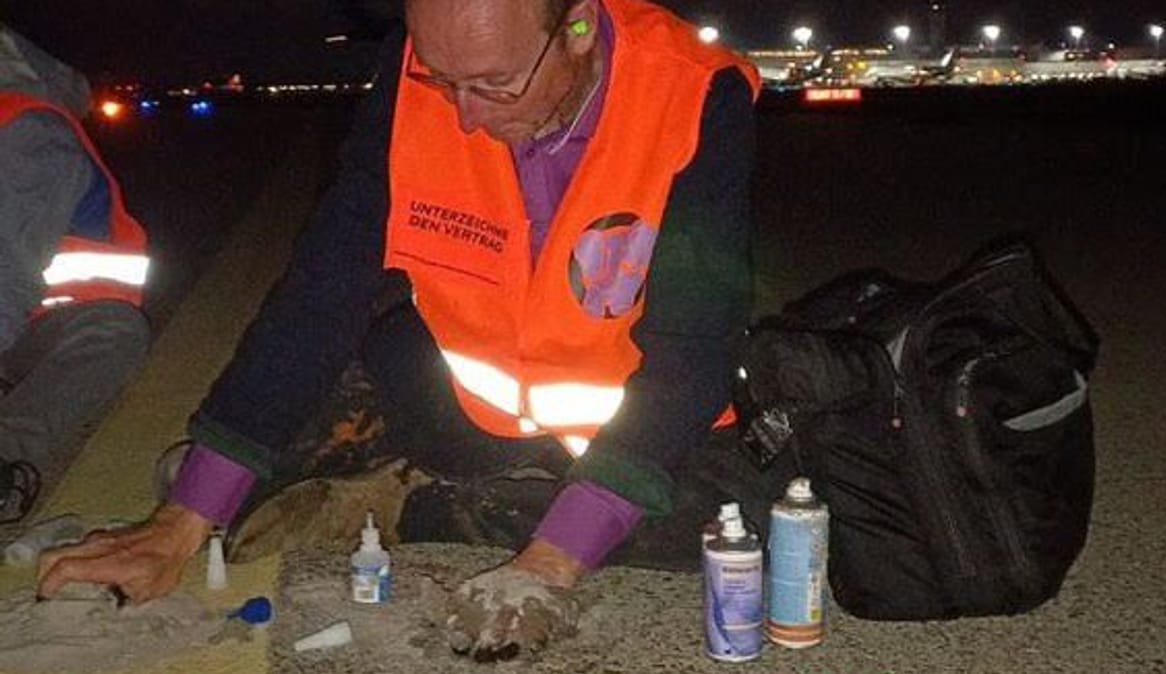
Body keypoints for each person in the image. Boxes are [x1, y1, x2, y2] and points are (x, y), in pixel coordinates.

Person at [39, 0, 771, 659]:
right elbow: (324, 290)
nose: (466, 118)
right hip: (461, 406)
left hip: (639, 424)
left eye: (493, 84)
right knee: (295, 399)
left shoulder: (695, 95)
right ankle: (410, 490)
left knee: (733, 534)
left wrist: (551, 563)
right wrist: (182, 519)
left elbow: (693, 350)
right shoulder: (421, 69)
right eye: (443, 81)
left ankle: (424, 503)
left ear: (578, 27)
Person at [0, 25, 150, 523]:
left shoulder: (25, 135)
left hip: (47, 325)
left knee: (113, 334)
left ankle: (8, 455)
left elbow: (7, 282)